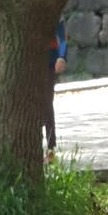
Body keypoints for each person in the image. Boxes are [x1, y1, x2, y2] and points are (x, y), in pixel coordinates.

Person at [44, 17, 67, 163]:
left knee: (46, 103)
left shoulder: (53, 11)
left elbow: (62, 38)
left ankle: (51, 150)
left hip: (48, 60)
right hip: (26, 61)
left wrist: (62, 57)